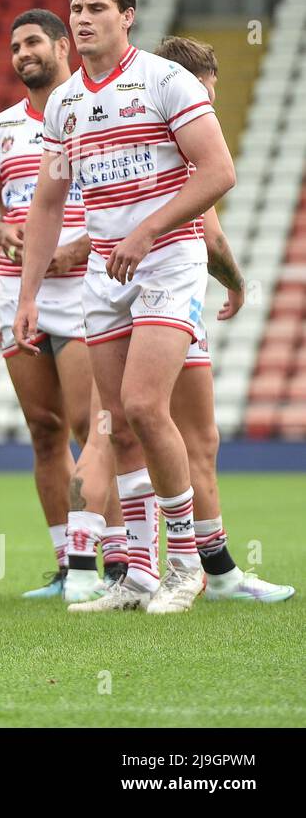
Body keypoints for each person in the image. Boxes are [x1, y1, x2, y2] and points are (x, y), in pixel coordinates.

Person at [15, 0, 236, 613]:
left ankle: (186, 563)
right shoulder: (64, 104)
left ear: (127, 16)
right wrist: (28, 294)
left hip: (167, 260)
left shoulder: (164, 80)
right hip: (105, 273)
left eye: (97, 7)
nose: (83, 17)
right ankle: (138, 572)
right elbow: (49, 204)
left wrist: (146, 230)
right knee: (117, 423)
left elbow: (219, 170)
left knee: (143, 404)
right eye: (76, 7)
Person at [132, 36, 293, 609]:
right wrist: (236, 283)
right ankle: (197, 568)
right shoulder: (179, 143)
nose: (209, 103)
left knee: (166, 431)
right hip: (163, 295)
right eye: (204, 90)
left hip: (148, 294)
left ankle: (146, 565)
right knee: (173, 430)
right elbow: (211, 233)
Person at [0, 9, 99, 597]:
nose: (22, 53)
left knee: (86, 424)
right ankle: (64, 566)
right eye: (14, 45)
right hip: (16, 291)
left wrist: (83, 245)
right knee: (44, 430)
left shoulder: (93, 110)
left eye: (33, 43)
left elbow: (124, 195)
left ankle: (106, 560)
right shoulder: (2, 127)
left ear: (62, 46)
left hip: (82, 291)